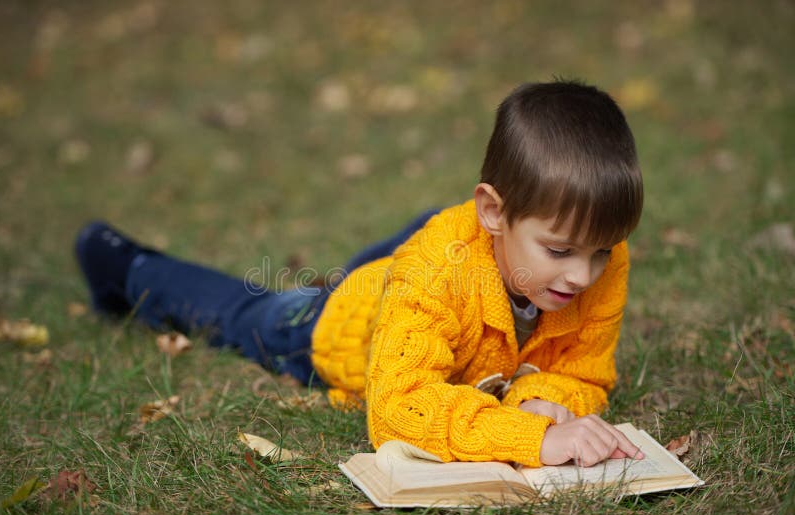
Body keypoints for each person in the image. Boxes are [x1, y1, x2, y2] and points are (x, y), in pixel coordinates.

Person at [75, 79, 645, 468]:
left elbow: (583, 371)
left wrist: (538, 396)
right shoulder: (433, 272)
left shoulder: (597, 256)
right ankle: (124, 261)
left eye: (601, 252)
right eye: (561, 251)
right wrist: (536, 437)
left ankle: (406, 243)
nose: (582, 276)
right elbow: (398, 409)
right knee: (250, 315)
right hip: (338, 325)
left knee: (418, 257)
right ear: (493, 213)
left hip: (432, 276)